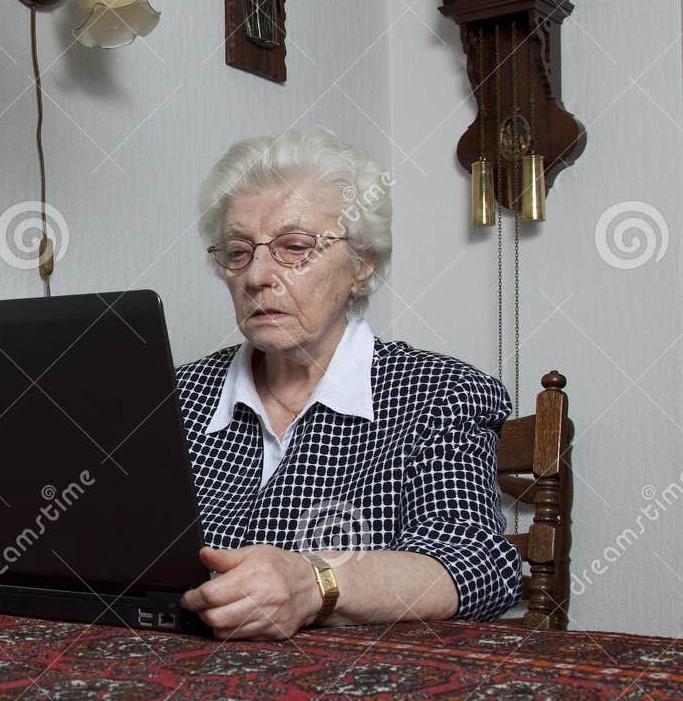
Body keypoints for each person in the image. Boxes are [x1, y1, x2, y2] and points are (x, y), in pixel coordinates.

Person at [176, 126, 520, 640]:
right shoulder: (178, 395)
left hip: (355, 694)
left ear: (362, 264)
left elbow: (473, 563)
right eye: (238, 251)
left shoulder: (440, 393)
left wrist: (315, 585)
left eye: (294, 247)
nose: (256, 276)